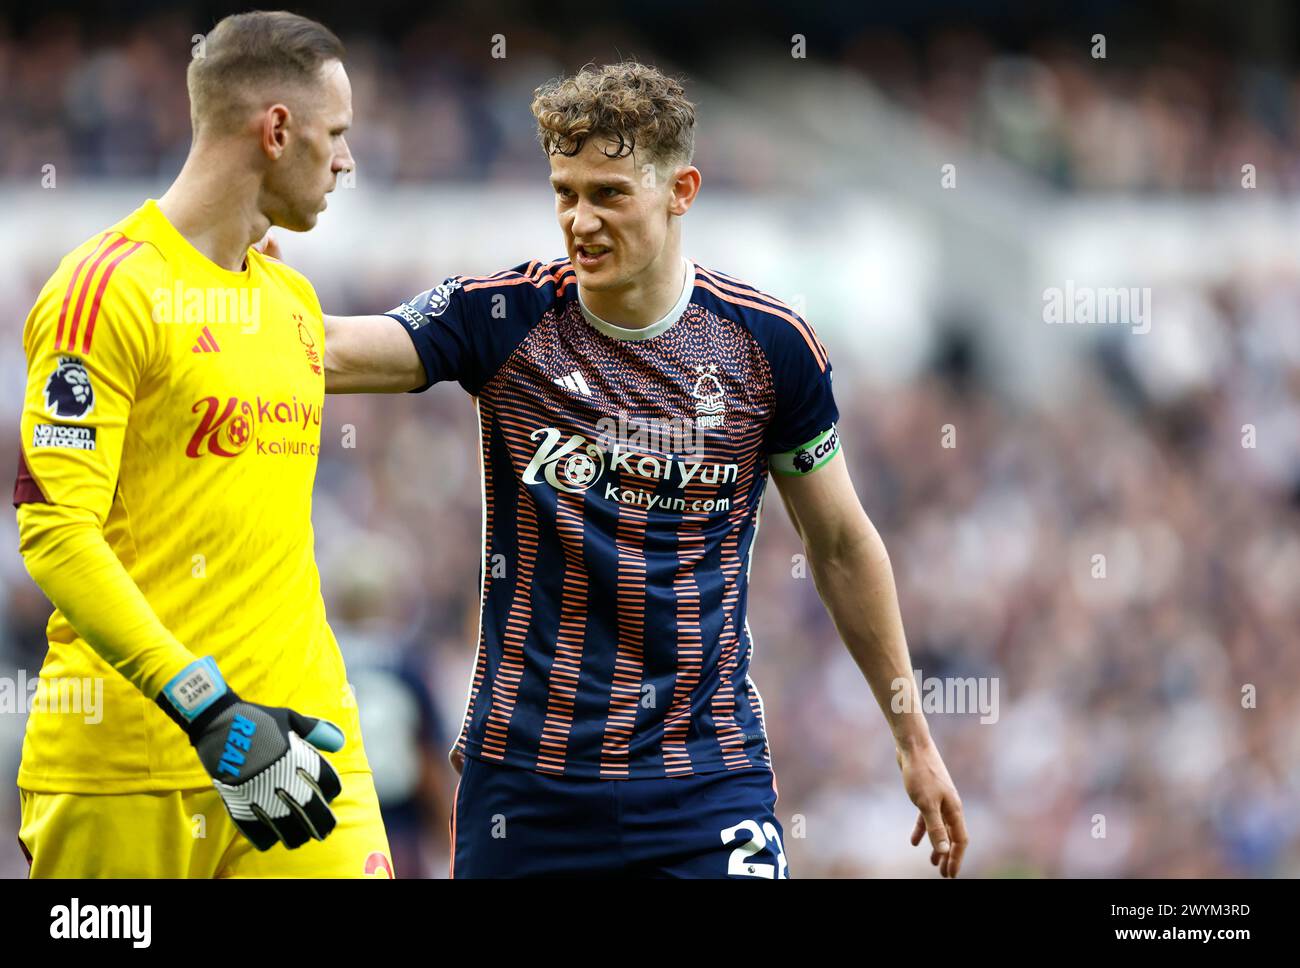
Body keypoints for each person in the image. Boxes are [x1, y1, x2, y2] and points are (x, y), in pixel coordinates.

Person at [323, 61, 967, 878]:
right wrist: (236, 291)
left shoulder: (769, 347)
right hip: (528, 788)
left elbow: (840, 544)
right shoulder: (504, 315)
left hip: (705, 782)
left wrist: (913, 739)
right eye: (565, 192)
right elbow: (338, 349)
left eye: (609, 193)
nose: (580, 221)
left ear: (681, 189)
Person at [13, 11, 392, 878]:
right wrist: (207, 705)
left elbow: (426, 348)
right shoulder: (105, 292)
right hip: (130, 769)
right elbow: (56, 534)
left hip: (305, 750)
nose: (346, 161)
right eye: (336, 135)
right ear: (277, 130)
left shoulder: (292, 303)